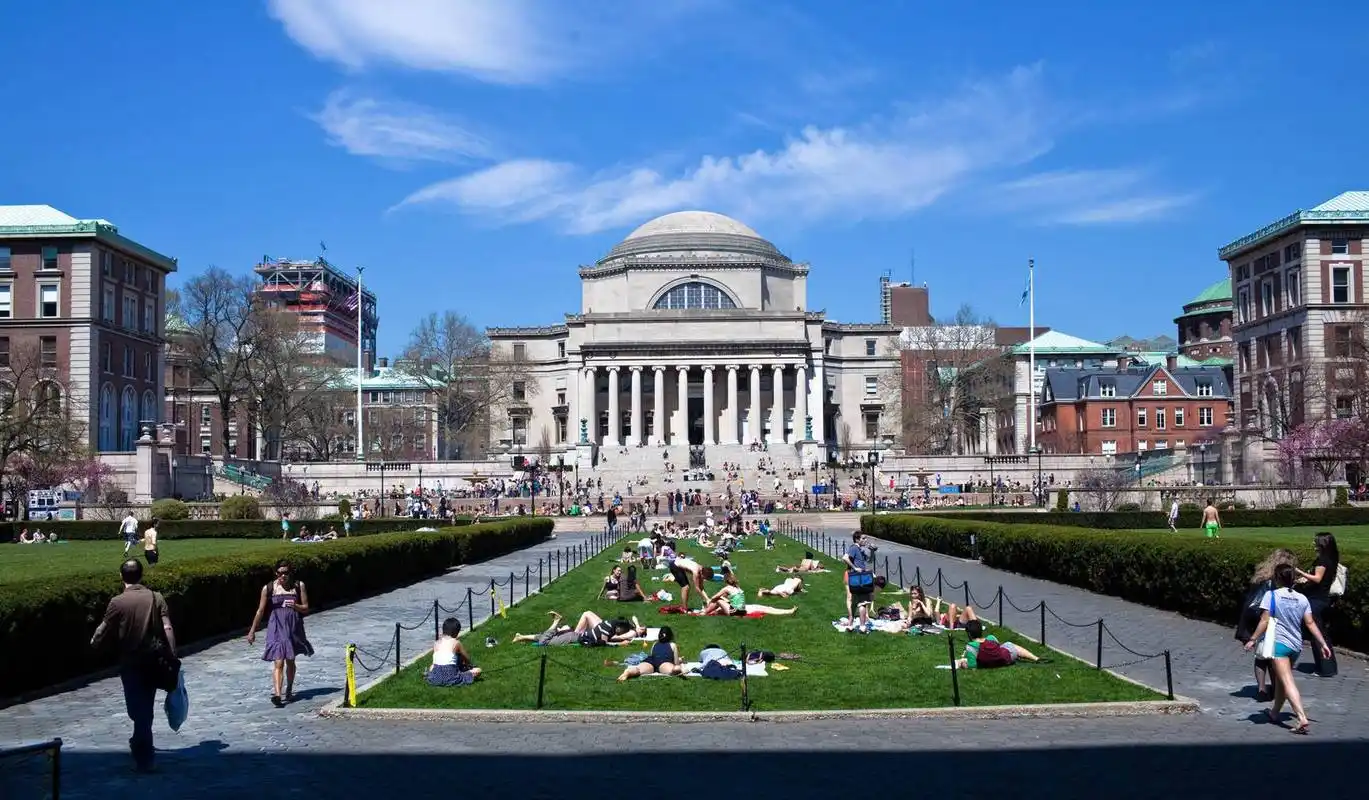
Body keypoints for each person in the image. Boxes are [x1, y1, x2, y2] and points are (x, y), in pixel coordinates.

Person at [90, 559, 177, 773]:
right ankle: (140, 742)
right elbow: (167, 627)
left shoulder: (117, 602)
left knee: (139, 710)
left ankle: (144, 757)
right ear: (141, 575)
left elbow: (104, 627)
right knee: (143, 708)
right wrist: (173, 655)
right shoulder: (156, 598)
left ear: (121, 576)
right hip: (154, 661)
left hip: (131, 664)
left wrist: (93, 642)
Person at [1244, 563, 1332, 734]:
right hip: (1295, 646)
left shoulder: (1271, 596)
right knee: (1282, 680)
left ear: (1277, 578)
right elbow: (1310, 623)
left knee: (1287, 680)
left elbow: (1264, 620)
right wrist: (1323, 643)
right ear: (1293, 579)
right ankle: (1275, 712)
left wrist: (1252, 639)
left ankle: (1301, 717)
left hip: (1279, 645)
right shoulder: (1302, 598)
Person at [247, 559, 315, 707]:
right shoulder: (269, 588)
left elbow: (306, 608)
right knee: (278, 661)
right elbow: (260, 611)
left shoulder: (298, 586)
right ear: (276, 573)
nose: (282, 576)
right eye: (279, 573)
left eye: (285, 573)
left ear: (290, 573)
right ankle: (278, 694)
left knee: (290, 660)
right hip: (276, 626)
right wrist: (252, 631)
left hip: (292, 627)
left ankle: (289, 688)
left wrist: (295, 605)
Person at [1235, 549, 1297, 701]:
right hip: (1267, 616)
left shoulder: (1262, 574)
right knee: (1274, 654)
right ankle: (1276, 688)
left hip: (1253, 613)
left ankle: (1262, 688)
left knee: (1262, 653)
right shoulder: (1277, 578)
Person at [1296, 532, 1340, 678]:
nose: (1314, 545)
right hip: (1320, 597)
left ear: (1322, 545)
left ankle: (1325, 667)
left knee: (1318, 634)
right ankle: (1326, 666)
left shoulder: (1323, 560)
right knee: (1319, 633)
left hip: (1317, 600)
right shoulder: (1330, 558)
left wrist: (1299, 572)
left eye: (1316, 542)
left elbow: (1317, 578)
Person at [511, 611, 644, 646]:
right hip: (574, 637)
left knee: (549, 637)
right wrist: (620, 644)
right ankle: (556, 621)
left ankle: (521, 636)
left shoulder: (609, 625)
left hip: (574, 635)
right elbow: (604, 643)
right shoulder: (608, 629)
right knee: (544, 642)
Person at [956, 619, 1039, 668]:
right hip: (1006, 659)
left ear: (969, 634)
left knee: (1007, 644)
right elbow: (998, 649)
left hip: (992, 663)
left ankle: (1034, 658)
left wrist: (962, 663)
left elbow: (972, 665)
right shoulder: (991, 638)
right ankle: (1035, 658)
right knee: (1008, 644)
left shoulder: (971, 647)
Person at [704, 573, 797, 617]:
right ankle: (788, 611)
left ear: (726, 581)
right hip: (742, 610)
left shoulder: (726, 588)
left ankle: (704, 612)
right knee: (766, 608)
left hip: (736, 612)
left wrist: (709, 600)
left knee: (718, 600)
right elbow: (733, 600)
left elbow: (714, 598)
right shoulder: (737, 587)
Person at [426, 617, 481, 686]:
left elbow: (435, 663)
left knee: (432, 666)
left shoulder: (436, 643)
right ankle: (459, 674)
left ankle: (431, 675)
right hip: (452, 677)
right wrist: (470, 666)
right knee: (478, 670)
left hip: (435, 679)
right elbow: (466, 658)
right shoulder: (456, 642)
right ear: (456, 633)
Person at [618, 626, 682, 681]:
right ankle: (628, 672)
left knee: (638, 669)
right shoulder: (673, 645)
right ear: (670, 636)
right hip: (664, 663)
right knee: (676, 669)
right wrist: (680, 660)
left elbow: (652, 655)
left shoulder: (655, 644)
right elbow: (676, 663)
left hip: (651, 661)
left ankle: (628, 672)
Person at [843, 531, 876, 632]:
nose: (866, 540)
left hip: (857, 577)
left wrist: (872, 551)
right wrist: (855, 567)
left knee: (854, 601)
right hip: (857, 577)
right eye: (863, 538)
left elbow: (870, 561)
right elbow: (845, 558)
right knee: (863, 602)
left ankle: (850, 624)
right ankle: (862, 626)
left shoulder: (860, 550)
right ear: (857, 539)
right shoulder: (854, 548)